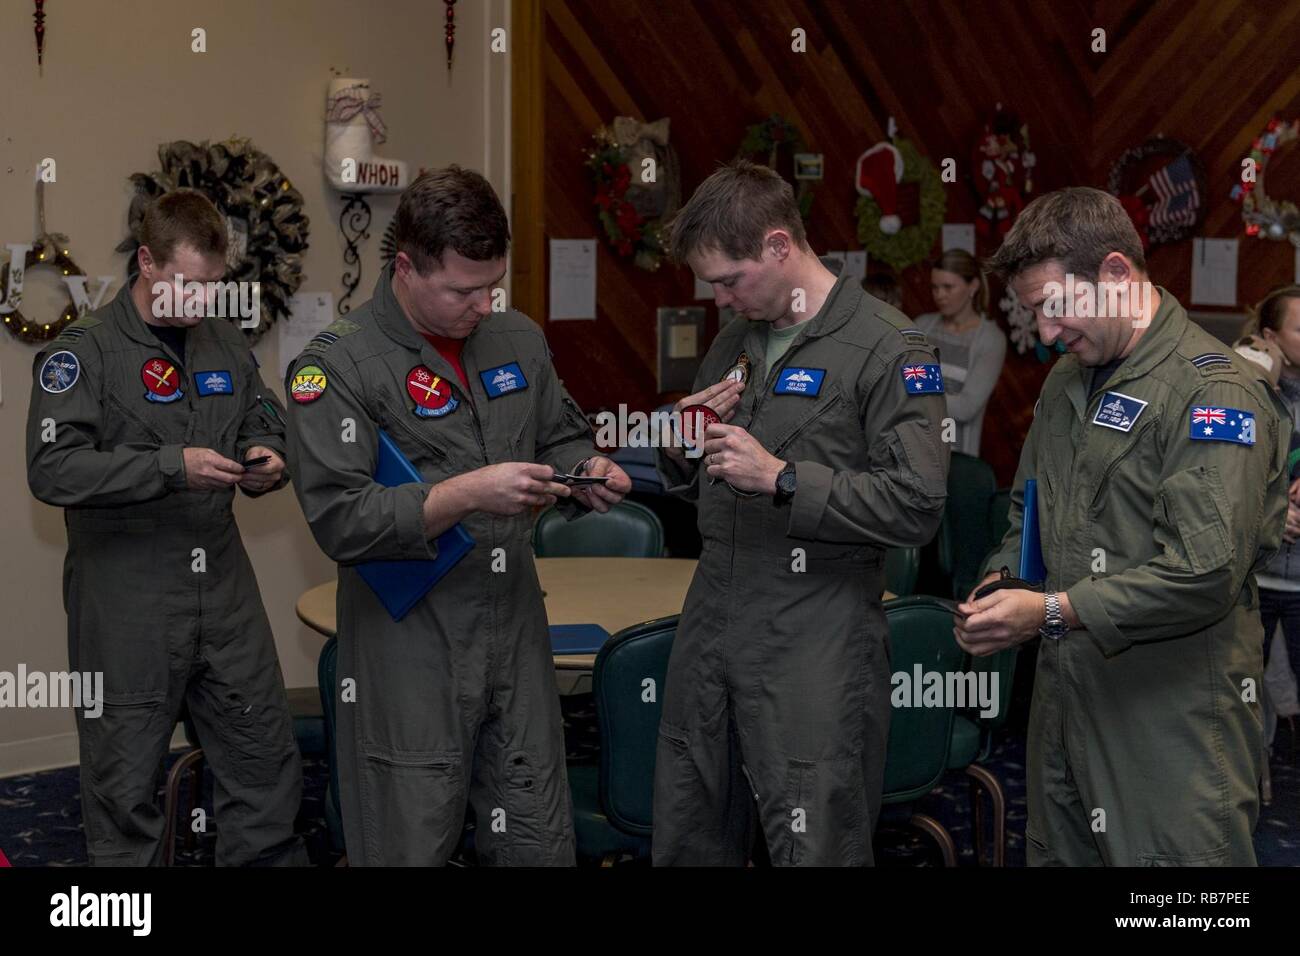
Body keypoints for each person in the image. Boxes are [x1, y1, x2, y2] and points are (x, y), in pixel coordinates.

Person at [284, 166, 631, 866]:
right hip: (408, 638)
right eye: (463, 291)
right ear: (406, 268)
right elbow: (340, 519)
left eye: (492, 286)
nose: (482, 305)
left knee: (536, 829)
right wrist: (468, 493)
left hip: (515, 626)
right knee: (408, 836)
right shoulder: (336, 368)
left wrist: (589, 470)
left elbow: (561, 433)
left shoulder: (517, 340)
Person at [956, 186, 1288, 866]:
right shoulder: (1067, 382)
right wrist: (1002, 579)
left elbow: (1205, 572)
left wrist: (1049, 609)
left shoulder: (1213, 391)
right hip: (1066, 702)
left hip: (1170, 719)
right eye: (1035, 313)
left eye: (1055, 308)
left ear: (1113, 274)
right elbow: (1029, 509)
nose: (1046, 334)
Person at [653, 160, 949, 866]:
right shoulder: (737, 338)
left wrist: (783, 479)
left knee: (815, 842)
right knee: (690, 829)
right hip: (712, 623)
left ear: (781, 246)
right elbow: (700, 479)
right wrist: (679, 442)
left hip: (815, 641)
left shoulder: (890, 348)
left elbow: (918, 505)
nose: (721, 299)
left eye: (731, 279)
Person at [26, 190, 306, 866]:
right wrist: (167, 465)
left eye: (214, 285)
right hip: (128, 597)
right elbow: (52, 469)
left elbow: (263, 414)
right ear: (147, 262)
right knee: (126, 792)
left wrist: (272, 456)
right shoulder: (82, 352)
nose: (202, 301)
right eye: (188, 284)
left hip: (224, 591)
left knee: (264, 762)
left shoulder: (223, 342)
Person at [914, 249, 1007, 457]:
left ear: (973, 286)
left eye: (948, 287)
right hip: (914, 448)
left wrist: (914, 389)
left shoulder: (990, 340)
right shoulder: (922, 326)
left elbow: (965, 408)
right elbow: (899, 382)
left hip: (956, 457)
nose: (940, 295)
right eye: (935, 287)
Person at [1251, 286, 1300, 679]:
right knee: (1246, 697)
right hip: (1253, 580)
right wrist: (1268, 514)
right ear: (1270, 337)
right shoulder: (1243, 395)